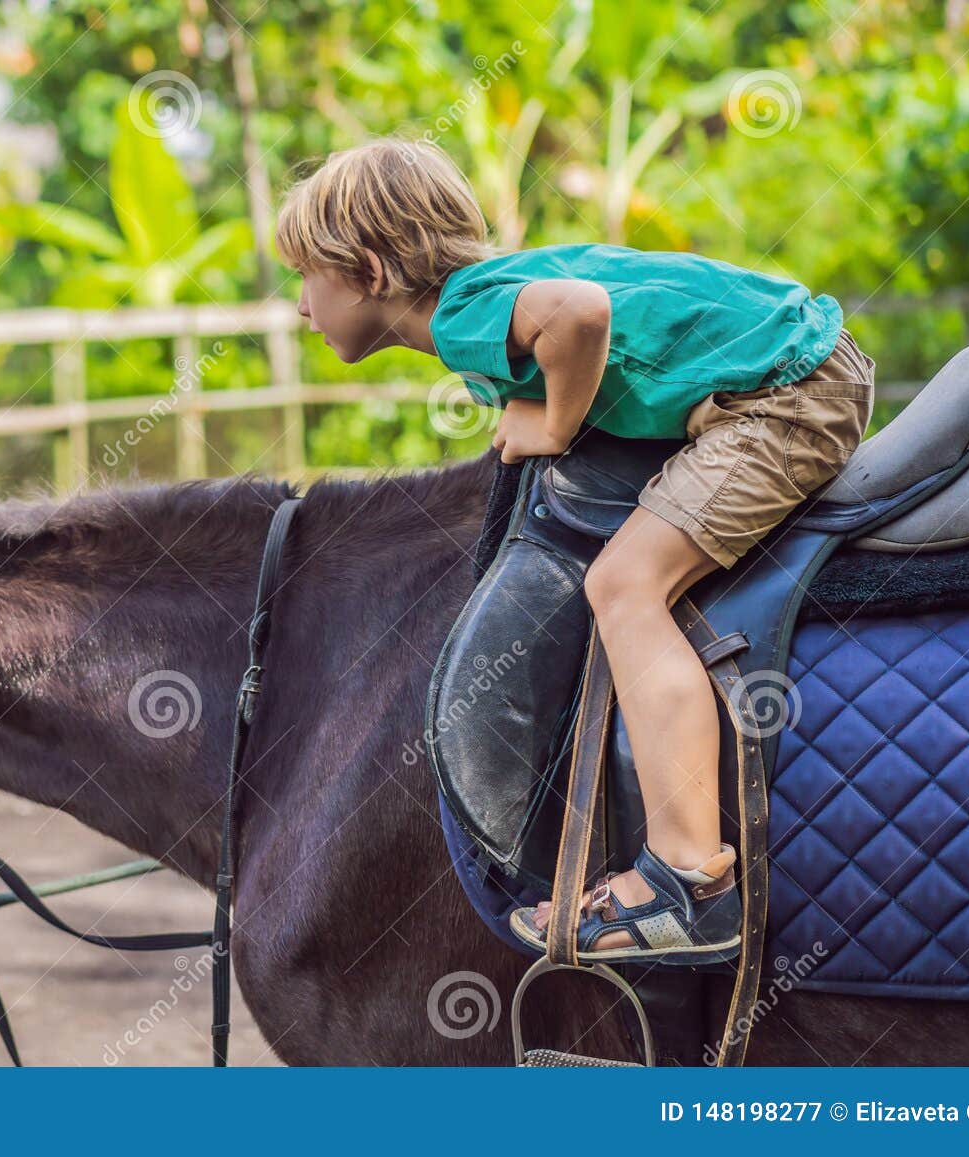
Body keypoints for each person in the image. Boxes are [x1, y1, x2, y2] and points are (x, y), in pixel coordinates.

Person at [274, 137, 874, 964]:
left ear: (371, 273)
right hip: (795, 361)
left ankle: (688, 883)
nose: (302, 307)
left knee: (625, 587)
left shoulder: (458, 313)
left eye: (307, 278)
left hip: (785, 398)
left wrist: (554, 425)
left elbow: (583, 314)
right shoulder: (495, 286)